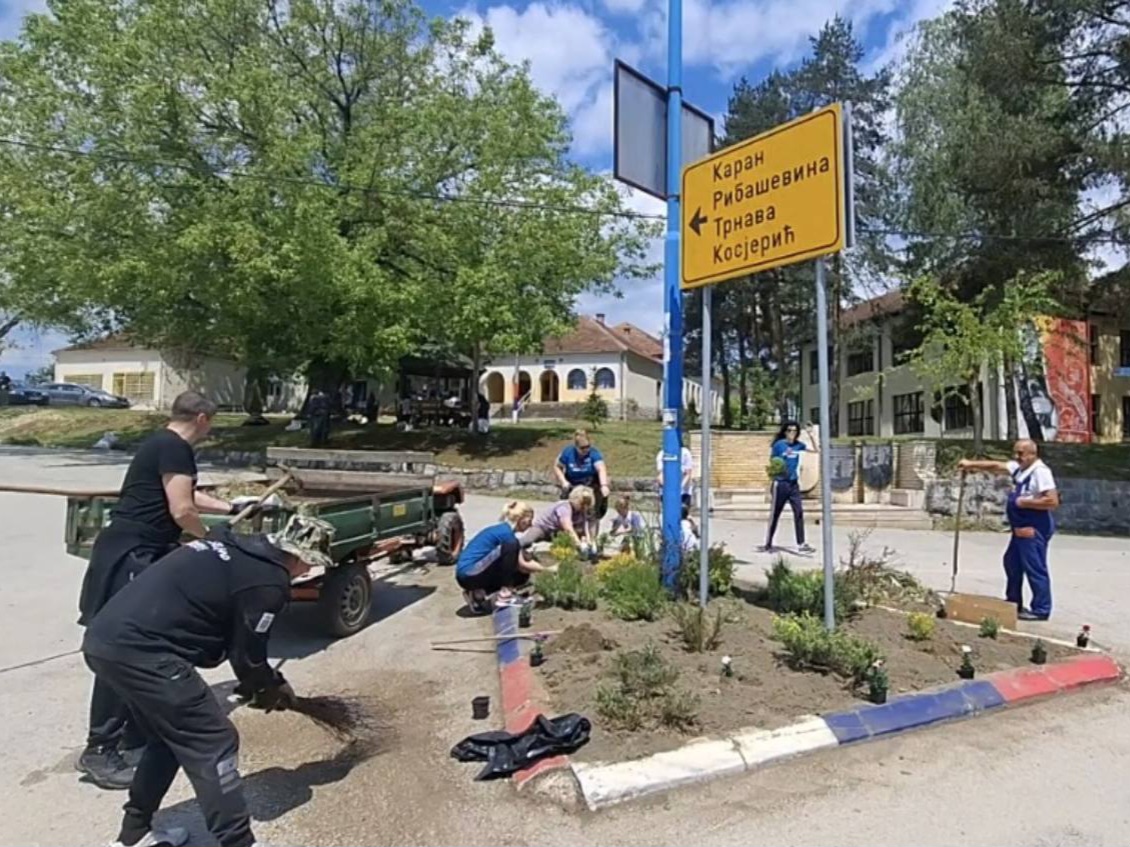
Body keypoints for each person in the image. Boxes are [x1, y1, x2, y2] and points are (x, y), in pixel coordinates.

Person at [82, 514, 334, 847]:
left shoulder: (229, 544)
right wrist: (270, 687)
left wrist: (261, 683)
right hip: (145, 654)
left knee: (167, 738)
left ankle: (135, 834)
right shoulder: (268, 583)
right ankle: (238, 842)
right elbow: (248, 660)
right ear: (303, 558)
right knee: (214, 741)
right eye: (311, 565)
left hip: (104, 641)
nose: (308, 572)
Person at [76, 391, 239, 790]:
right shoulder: (177, 447)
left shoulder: (160, 443)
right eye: (211, 423)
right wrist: (210, 541)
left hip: (126, 549)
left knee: (138, 646)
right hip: (133, 555)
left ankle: (132, 736)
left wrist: (229, 508)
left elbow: (185, 493)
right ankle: (100, 748)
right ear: (202, 418)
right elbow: (181, 510)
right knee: (125, 647)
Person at [960, 440, 1059, 621]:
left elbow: (1052, 501)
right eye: (1015, 453)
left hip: (1033, 527)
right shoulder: (1021, 469)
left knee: (1034, 567)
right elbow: (996, 465)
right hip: (1020, 528)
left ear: (1032, 454)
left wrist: (1023, 502)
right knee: (1012, 563)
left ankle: (1041, 609)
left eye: (1021, 453)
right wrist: (970, 464)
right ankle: (1013, 602)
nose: (1016, 457)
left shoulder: (1040, 472)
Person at [456, 501, 556, 614]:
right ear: (522, 519)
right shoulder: (506, 535)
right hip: (469, 573)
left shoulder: (503, 531)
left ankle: (477, 594)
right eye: (530, 519)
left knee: (521, 576)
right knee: (512, 546)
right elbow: (522, 565)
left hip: (468, 575)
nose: (531, 525)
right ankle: (505, 595)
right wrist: (549, 570)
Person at [758, 421, 815, 554]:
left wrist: (811, 434)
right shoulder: (779, 445)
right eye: (789, 430)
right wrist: (776, 474)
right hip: (780, 483)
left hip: (793, 484)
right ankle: (768, 542)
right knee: (775, 514)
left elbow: (816, 450)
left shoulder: (798, 445)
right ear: (785, 431)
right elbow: (773, 462)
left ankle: (801, 543)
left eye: (794, 431)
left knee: (799, 512)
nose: (792, 433)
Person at [553, 429, 611, 535]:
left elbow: (601, 468)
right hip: (572, 485)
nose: (586, 450)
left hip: (590, 485)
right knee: (570, 513)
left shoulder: (594, 453)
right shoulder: (568, 452)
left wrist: (604, 485)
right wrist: (563, 481)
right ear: (576, 447)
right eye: (583, 448)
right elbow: (557, 466)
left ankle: (593, 541)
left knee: (592, 514)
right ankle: (573, 539)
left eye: (588, 446)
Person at [519, 486, 595, 552]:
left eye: (587, 504)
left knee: (569, 544)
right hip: (543, 528)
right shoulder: (564, 507)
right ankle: (514, 547)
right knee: (527, 541)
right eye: (582, 503)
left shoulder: (582, 511)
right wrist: (578, 544)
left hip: (558, 532)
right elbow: (568, 528)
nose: (585, 507)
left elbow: (585, 527)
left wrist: (588, 541)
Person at [655, 438, 695, 508]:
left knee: (683, 513)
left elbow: (688, 473)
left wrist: (679, 488)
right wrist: (667, 488)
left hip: (684, 492)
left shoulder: (685, 452)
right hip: (666, 492)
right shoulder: (662, 454)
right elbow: (661, 474)